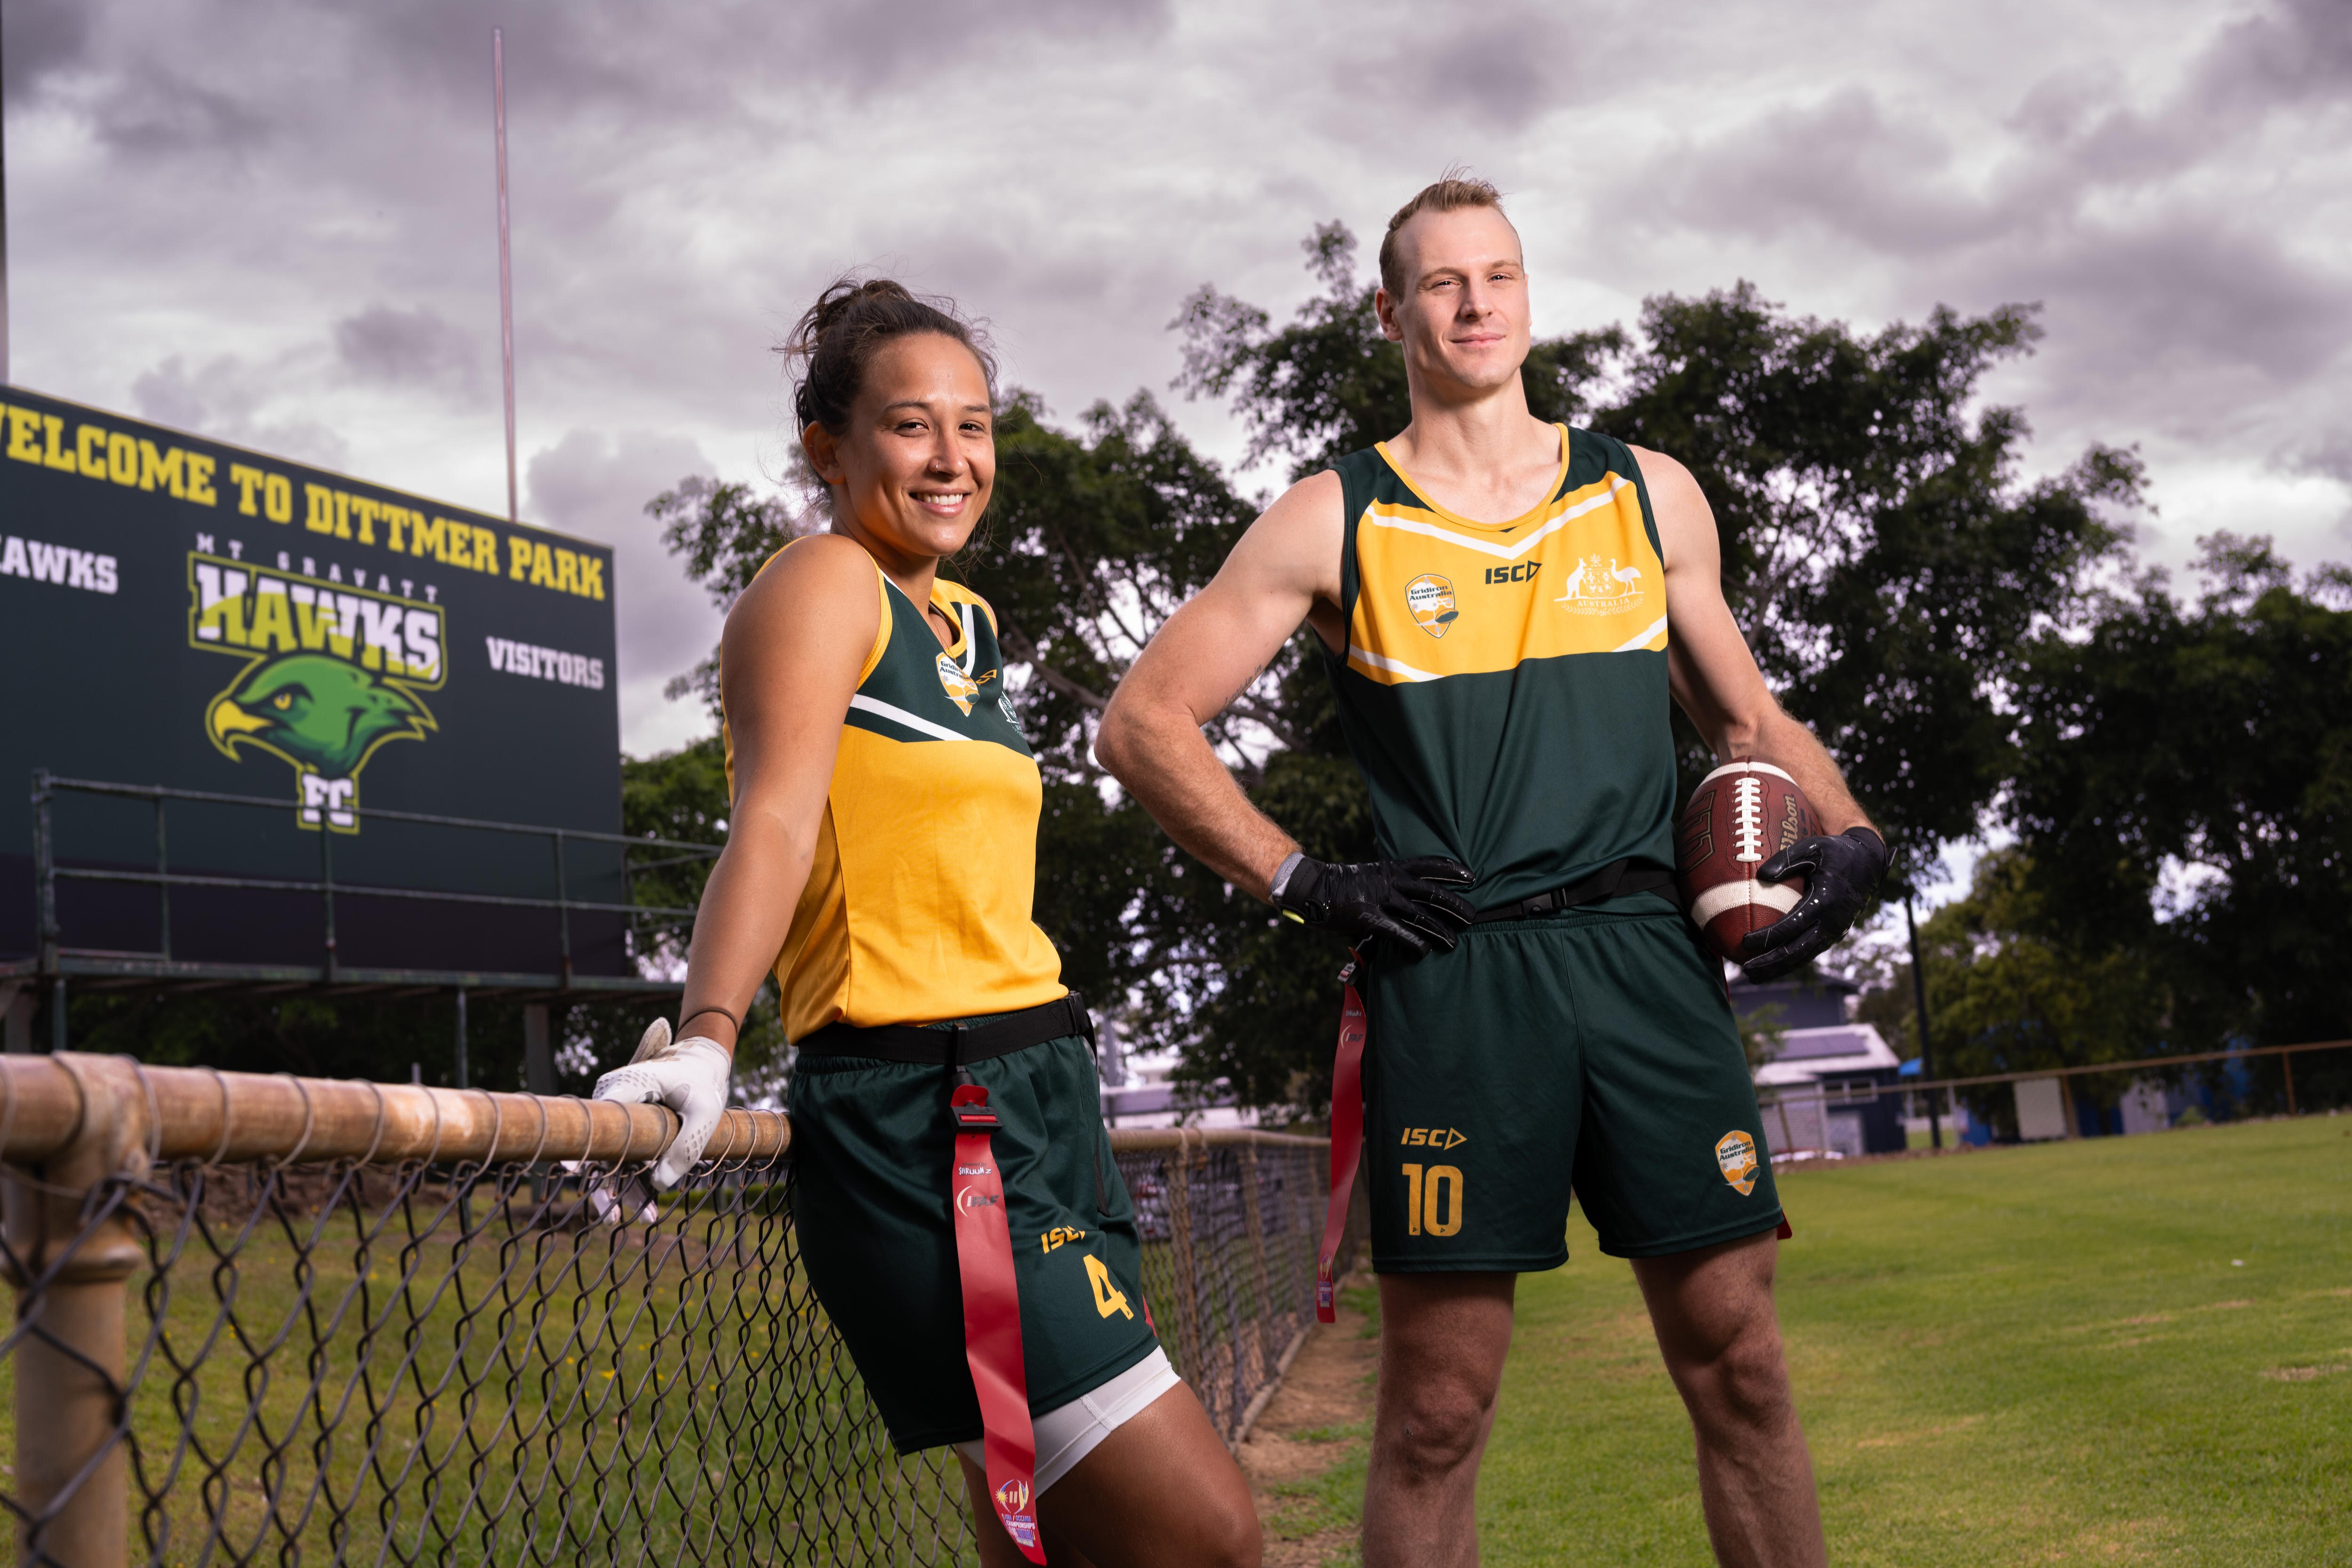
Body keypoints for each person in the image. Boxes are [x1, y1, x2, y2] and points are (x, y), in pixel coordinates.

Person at [1094, 176, 1888, 1568]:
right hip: (1459, 975)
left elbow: (1748, 722)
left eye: (1501, 276)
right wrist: (1301, 879)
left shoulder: (1646, 494)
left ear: (1529, 295)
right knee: (1440, 1410)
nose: (1477, 304)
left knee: (1743, 1363)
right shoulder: (1334, 518)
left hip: (1648, 960)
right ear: (1392, 310)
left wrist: (1856, 834)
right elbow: (1143, 720)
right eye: (1446, 282)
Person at [593, 279, 1260, 1568]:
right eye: (913, 425)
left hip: (1038, 1090)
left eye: (976, 424)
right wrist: (709, 1032)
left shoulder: (968, 622)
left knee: (1042, 1541)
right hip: (925, 1117)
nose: (954, 458)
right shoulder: (822, 585)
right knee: (1210, 1535)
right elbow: (776, 824)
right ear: (828, 449)